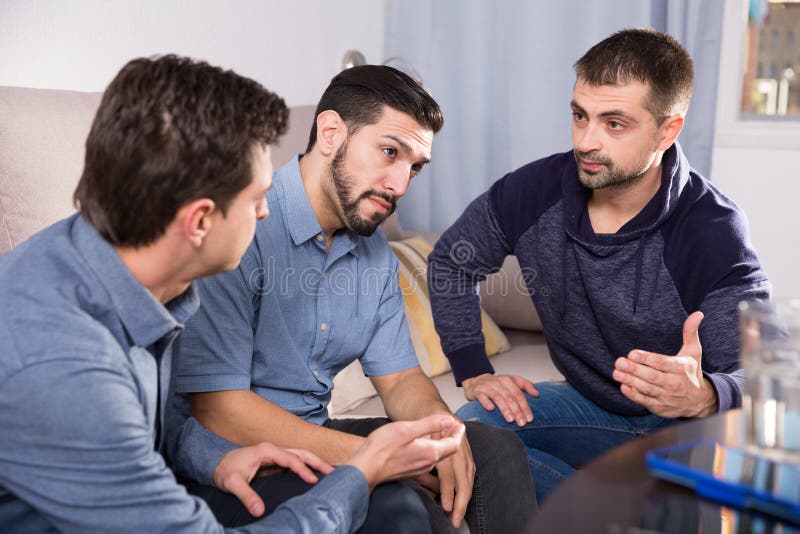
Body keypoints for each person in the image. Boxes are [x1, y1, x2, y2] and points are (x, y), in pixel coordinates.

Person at [0, 54, 465, 533]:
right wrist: (361, 470)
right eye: (257, 198)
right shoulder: (66, 365)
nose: (267, 214)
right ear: (200, 220)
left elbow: (156, 425)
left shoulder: (129, 279)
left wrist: (213, 460)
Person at [166, 64, 536, 533]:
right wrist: (375, 460)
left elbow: (401, 379)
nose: (400, 185)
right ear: (330, 133)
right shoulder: (241, 226)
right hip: (237, 457)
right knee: (399, 503)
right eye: (389, 152)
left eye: (414, 167)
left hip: (315, 434)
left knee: (493, 451)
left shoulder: (374, 252)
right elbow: (218, 409)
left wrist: (441, 434)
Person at [427, 28, 771, 503]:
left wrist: (706, 395)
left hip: (688, 432)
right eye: (579, 116)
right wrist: (472, 369)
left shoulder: (710, 228)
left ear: (668, 130)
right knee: (469, 434)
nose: (586, 141)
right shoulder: (532, 192)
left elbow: (764, 373)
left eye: (614, 124)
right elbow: (451, 261)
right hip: (592, 410)